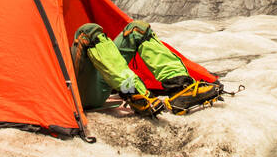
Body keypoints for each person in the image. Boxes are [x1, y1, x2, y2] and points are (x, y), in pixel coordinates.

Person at [71, 19, 221, 117]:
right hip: (76, 89)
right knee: (87, 31)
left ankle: (180, 87)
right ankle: (135, 93)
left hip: (105, 76)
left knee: (137, 30)